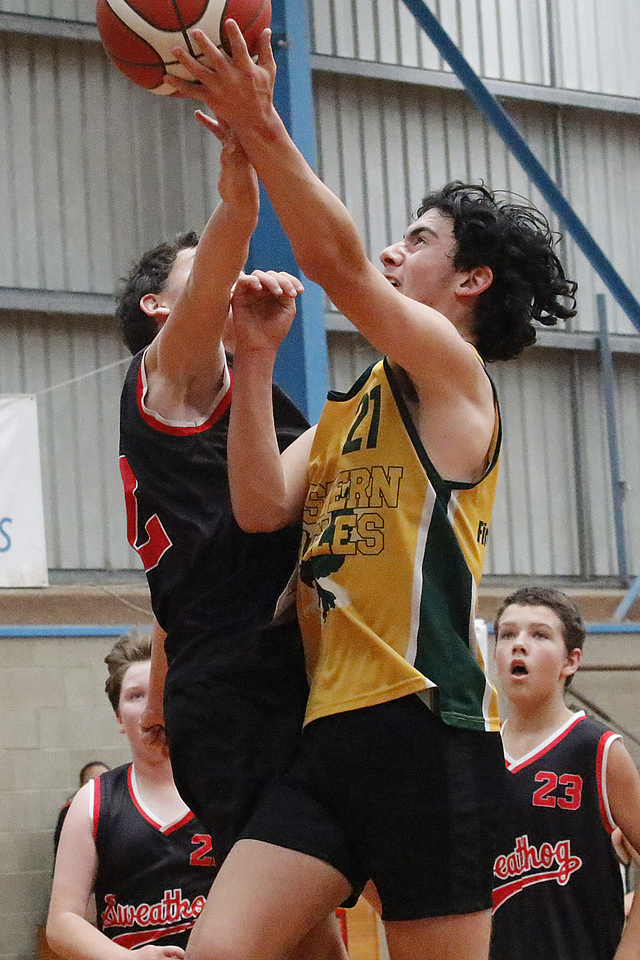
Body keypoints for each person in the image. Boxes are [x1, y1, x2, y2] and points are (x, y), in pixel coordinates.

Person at [159, 22, 579, 960]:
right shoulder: (353, 407)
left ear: (469, 279)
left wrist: (260, 127)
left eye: (418, 239)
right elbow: (262, 507)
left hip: (428, 731)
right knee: (219, 951)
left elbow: (336, 266)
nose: (394, 251)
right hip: (327, 732)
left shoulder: (457, 376)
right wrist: (256, 361)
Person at [116, 119, 349, 958]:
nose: (230, 271)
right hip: (237, 689)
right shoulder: (166, 380)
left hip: (283, 666)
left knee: (305, 928)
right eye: (204, 266)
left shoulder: (255, 398)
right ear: (159, 307)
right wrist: (239, 200)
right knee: (251, 938)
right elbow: (218, 267)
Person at [47, 631, 218, 958]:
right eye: (136, 696)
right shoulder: (93, 800)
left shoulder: (225, 790)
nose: (151, 707)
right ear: (118, 718)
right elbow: (62, 920)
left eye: (161, 692)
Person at [490, 586, 640, 960]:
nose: (518, 644)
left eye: (538, 634)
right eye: (507, 634)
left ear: (571, 661)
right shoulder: (476, 753)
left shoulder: (598, 748)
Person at [53, 760, 110, 858]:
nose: (98, 786)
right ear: (82, 784)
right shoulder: (70, 812)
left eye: (104, 780)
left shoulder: (119, 811)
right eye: (92, 781)